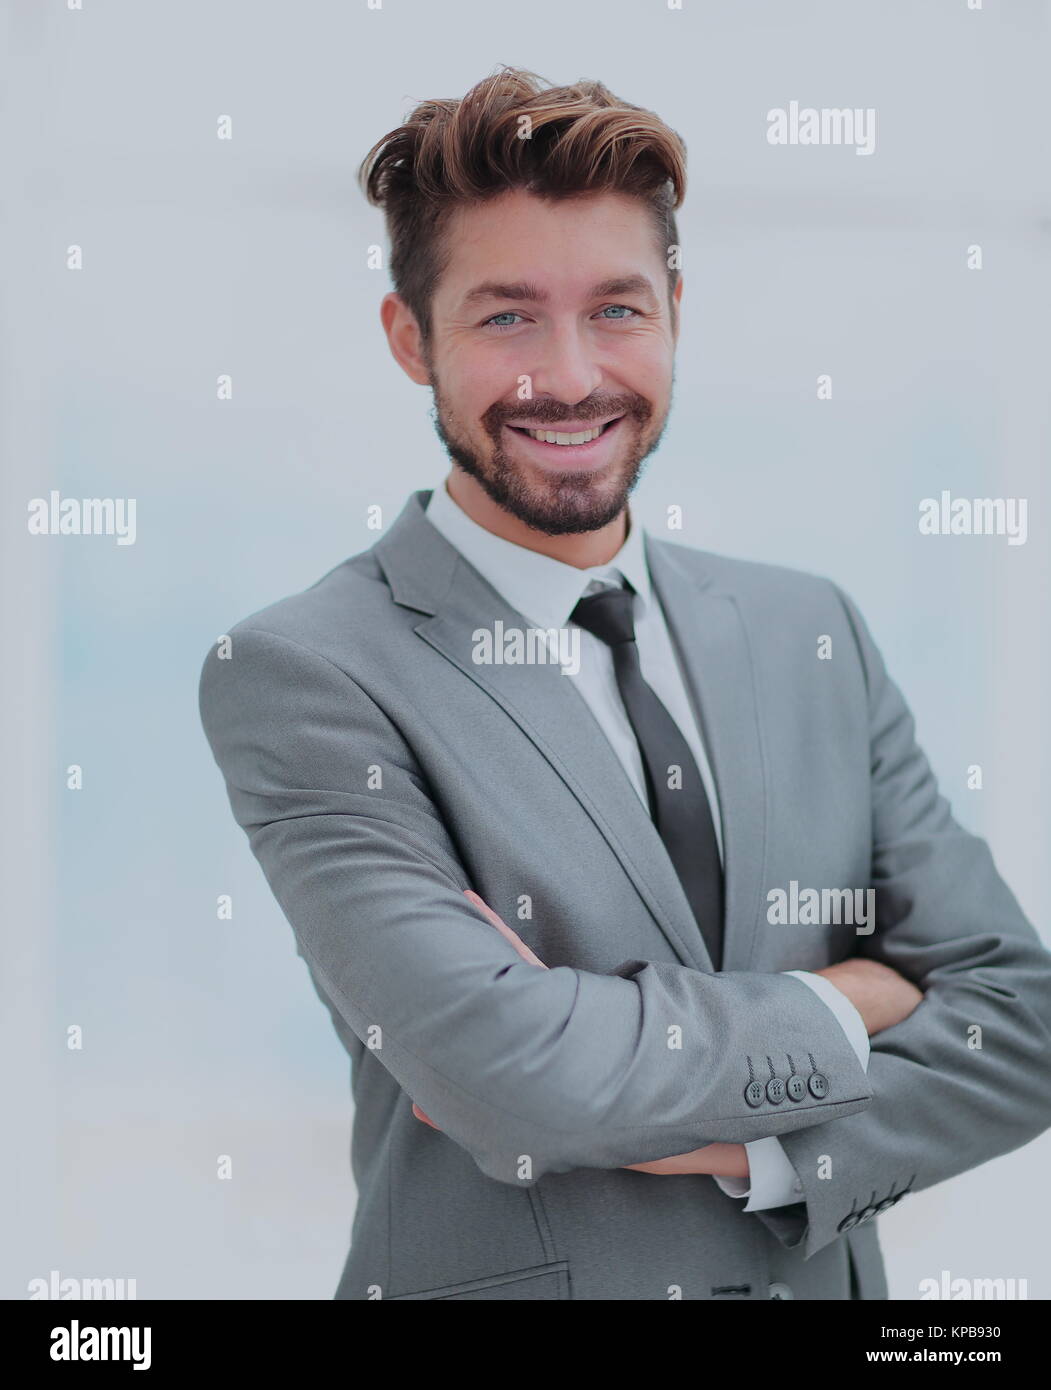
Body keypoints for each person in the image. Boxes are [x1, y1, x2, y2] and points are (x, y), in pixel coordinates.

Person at [198, 68, 1051, 1301]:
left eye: (615, 310)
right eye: (505, 319)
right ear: (408, 338)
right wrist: (846, 997)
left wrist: (755, 1149)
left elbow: (1019, 1024)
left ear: (675, 312)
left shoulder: (807, 628)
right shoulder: (307, 671)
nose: (569, 375)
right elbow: (508, 1078)